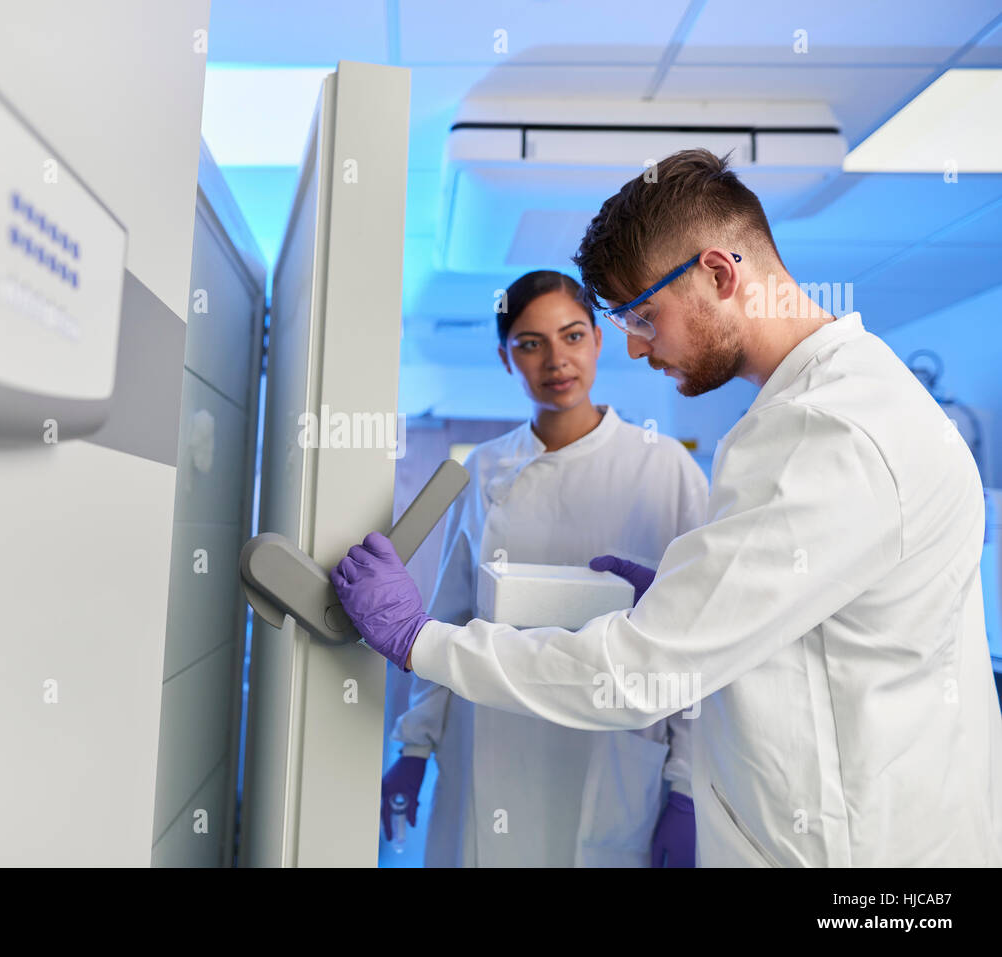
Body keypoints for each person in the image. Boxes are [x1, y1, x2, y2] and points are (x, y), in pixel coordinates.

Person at [338, 148, 1002, 866]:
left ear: (718, 274)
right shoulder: (843, 399)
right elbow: (820, 630)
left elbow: (639, 670)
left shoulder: (822, 431)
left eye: (643, 316)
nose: (630, 345)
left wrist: (417, 639)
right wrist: (691, 597)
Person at [382, 270, 707, 867]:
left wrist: (687, 788)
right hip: (493, 735)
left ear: (600, 341)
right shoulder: (481, 469)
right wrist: (415, 745)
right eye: (530, 344)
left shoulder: (664, 468)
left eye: (573, 335)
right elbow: (449, 616)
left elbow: (699, 638)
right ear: (507, 359)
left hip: (609, 744)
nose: (556, 360)